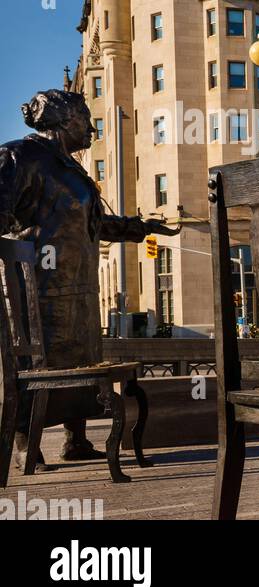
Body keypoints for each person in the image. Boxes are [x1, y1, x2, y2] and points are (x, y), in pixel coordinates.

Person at [0, 89, 178, 472]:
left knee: (80, 359)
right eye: (86, 119)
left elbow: (95, 226)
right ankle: (25, 444)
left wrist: (143, 227)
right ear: (64, 120)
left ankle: (76, 441)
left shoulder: (71, 168)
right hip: (37, 289)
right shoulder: (21, 155)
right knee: (38, 364)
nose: (92, 129)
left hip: (79, 286)